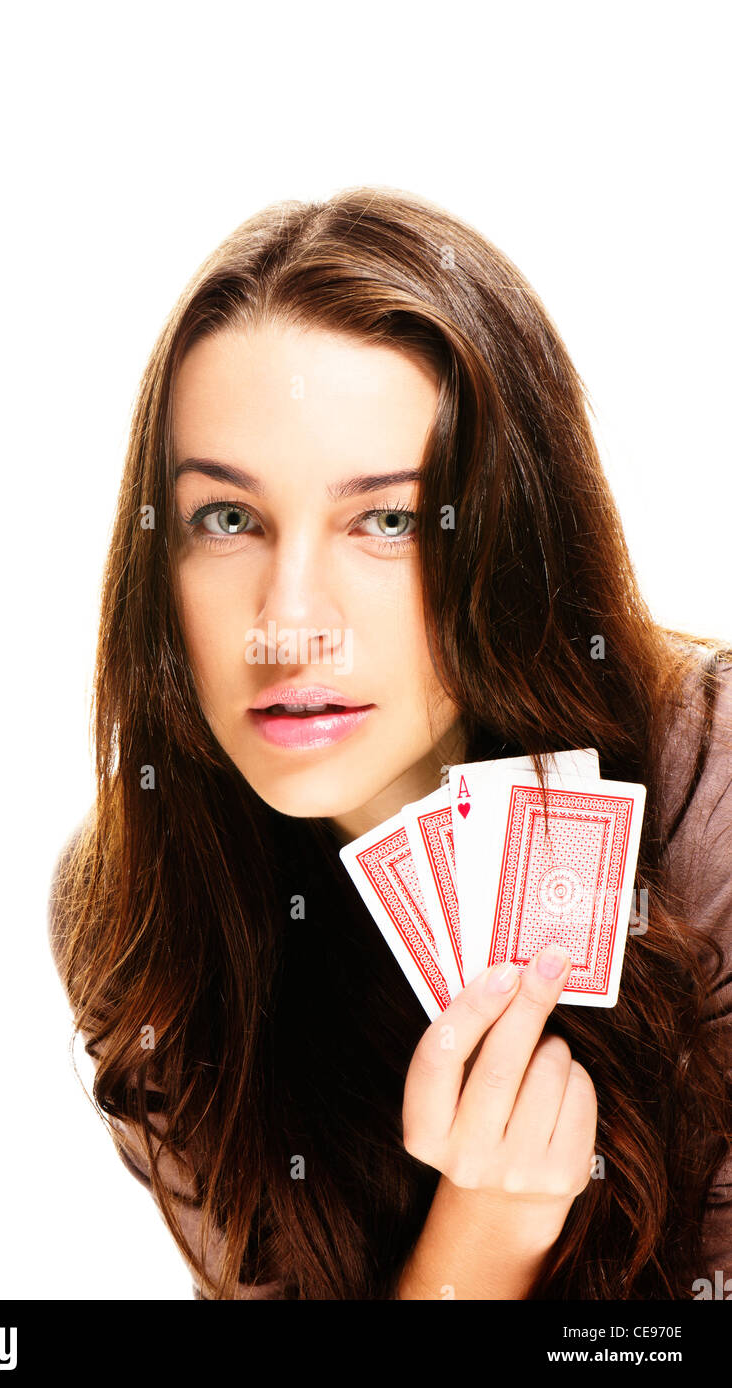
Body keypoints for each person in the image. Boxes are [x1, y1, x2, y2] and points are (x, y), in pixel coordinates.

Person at [48, 186, 732, 1300]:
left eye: (388, 519)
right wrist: (478, 1243)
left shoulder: (714, 798)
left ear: (511, 536)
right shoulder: (142, 903)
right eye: (227, 518)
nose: (289, 617)